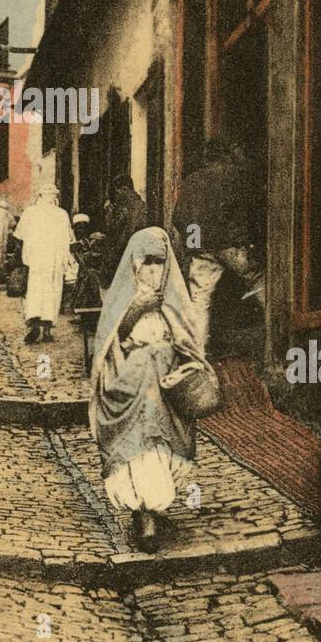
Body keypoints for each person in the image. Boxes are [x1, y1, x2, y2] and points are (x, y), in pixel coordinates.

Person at [89, 226, 221, 553]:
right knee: (136, 445)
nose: (152, 269)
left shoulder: (175, 298)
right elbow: (109, 341)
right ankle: (143, 514)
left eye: (159, 262)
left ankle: (154, 507)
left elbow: (189, 339)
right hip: (131, 379)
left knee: (163, 443)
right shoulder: (123, 296)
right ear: (134, 263)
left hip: (166, 383)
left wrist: (188, 360)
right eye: (145, 262)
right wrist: (137, 307)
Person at [172, 137, 264, 357]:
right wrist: (247, 241)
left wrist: (195, 244)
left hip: (203, 250)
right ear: (226, 155)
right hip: (232, 245)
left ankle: (197, 355)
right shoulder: (235, 175)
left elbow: (179, 217)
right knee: (262, 284)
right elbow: (253, 211)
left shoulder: (192, 180)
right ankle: (278, 342)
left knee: (200, 300)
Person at [13, 184, 74, 344]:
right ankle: (42, 329)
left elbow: (18, 237)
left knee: (37, 292)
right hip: (46, 261)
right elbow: (68, 239)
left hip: (43, 261)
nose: (50, 197)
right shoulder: (58, 214)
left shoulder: (34, 212)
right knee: (47, 292)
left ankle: (40, 328)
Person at [102, 174, 148, 285]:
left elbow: (117, 238)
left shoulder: (127, 209)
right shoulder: (142, 206)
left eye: (117, 192)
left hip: (128, 259)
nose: (116, 197)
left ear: (124, 190)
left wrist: (109, 215)